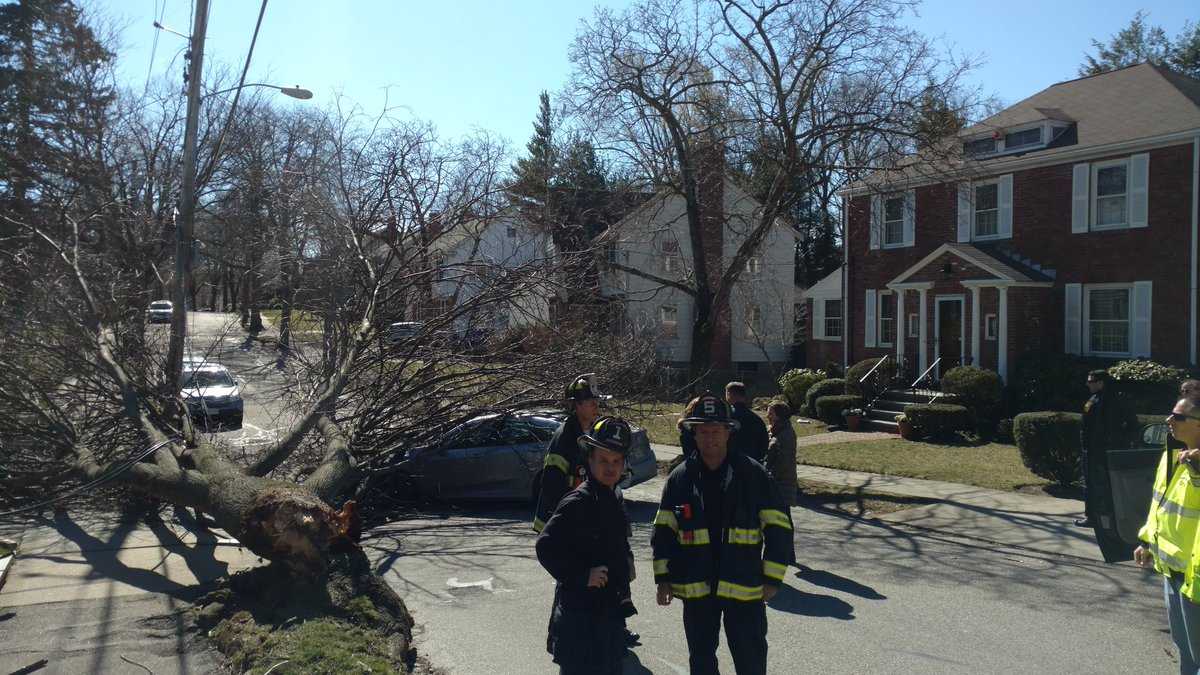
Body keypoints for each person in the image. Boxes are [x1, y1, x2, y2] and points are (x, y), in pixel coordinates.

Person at [652, 392, 794, 675]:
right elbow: (664, 531)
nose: (710, 438)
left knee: (750, 661)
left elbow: (779, 528)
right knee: (701, 660)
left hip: (745, 589)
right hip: (698, 591)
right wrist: (663, 579)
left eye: (716, 430)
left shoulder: (753, 475)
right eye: (703, 431)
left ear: (728, 432)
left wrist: (772, 579)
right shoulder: (680, 478)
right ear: (694, 434)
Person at [536, 416, 638, 675]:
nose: (610, 467)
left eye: (616, 461)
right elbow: (545, 547)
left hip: (609, 620)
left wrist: (627, 562)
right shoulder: (577, 501)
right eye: (603, 460)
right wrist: (582, 576)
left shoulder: (614, 497)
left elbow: (615, 541)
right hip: (578, 621)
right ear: (589, 460)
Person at [1134, 395, 1200, 674]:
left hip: (1194, 577)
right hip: (1171, 569)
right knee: (1184, 649)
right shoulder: (1171, 456)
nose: (1169, 420)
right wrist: (1147, 539)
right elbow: (1159, 503)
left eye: (1179, 416)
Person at [534, 373, 607, 533]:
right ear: (577, 405)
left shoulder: (594, 431)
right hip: (561, 520)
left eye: (597, 401)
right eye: (590, 402)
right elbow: (552, 485)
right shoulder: (565, 437)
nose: (596, 406)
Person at [1076, 369, 1136, 527]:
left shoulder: (1099, 400)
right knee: (1109, 484)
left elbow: (1088, 427)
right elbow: (1132, 424)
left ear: (1100, 383)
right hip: (1107, 450)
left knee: (1094, 484)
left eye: (1091, 382)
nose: (1087, 384)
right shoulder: (1116, 399)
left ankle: (1094, 517)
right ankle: (1109, 517)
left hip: (1097, 451)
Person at [764, 400, 798, 507]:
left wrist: (768, 477)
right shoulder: (774, 431)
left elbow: (784, 463)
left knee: (782, 519)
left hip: (782, 486)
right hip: (775, 484)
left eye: (770, 414)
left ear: (779, 416)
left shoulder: (785, 435)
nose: (767, 416)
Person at [725, 381, 768, 464]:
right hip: (752, 463)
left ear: (729, 394)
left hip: (730, 463)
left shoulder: (726, 417)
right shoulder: (757, 419)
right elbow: (764, 444)